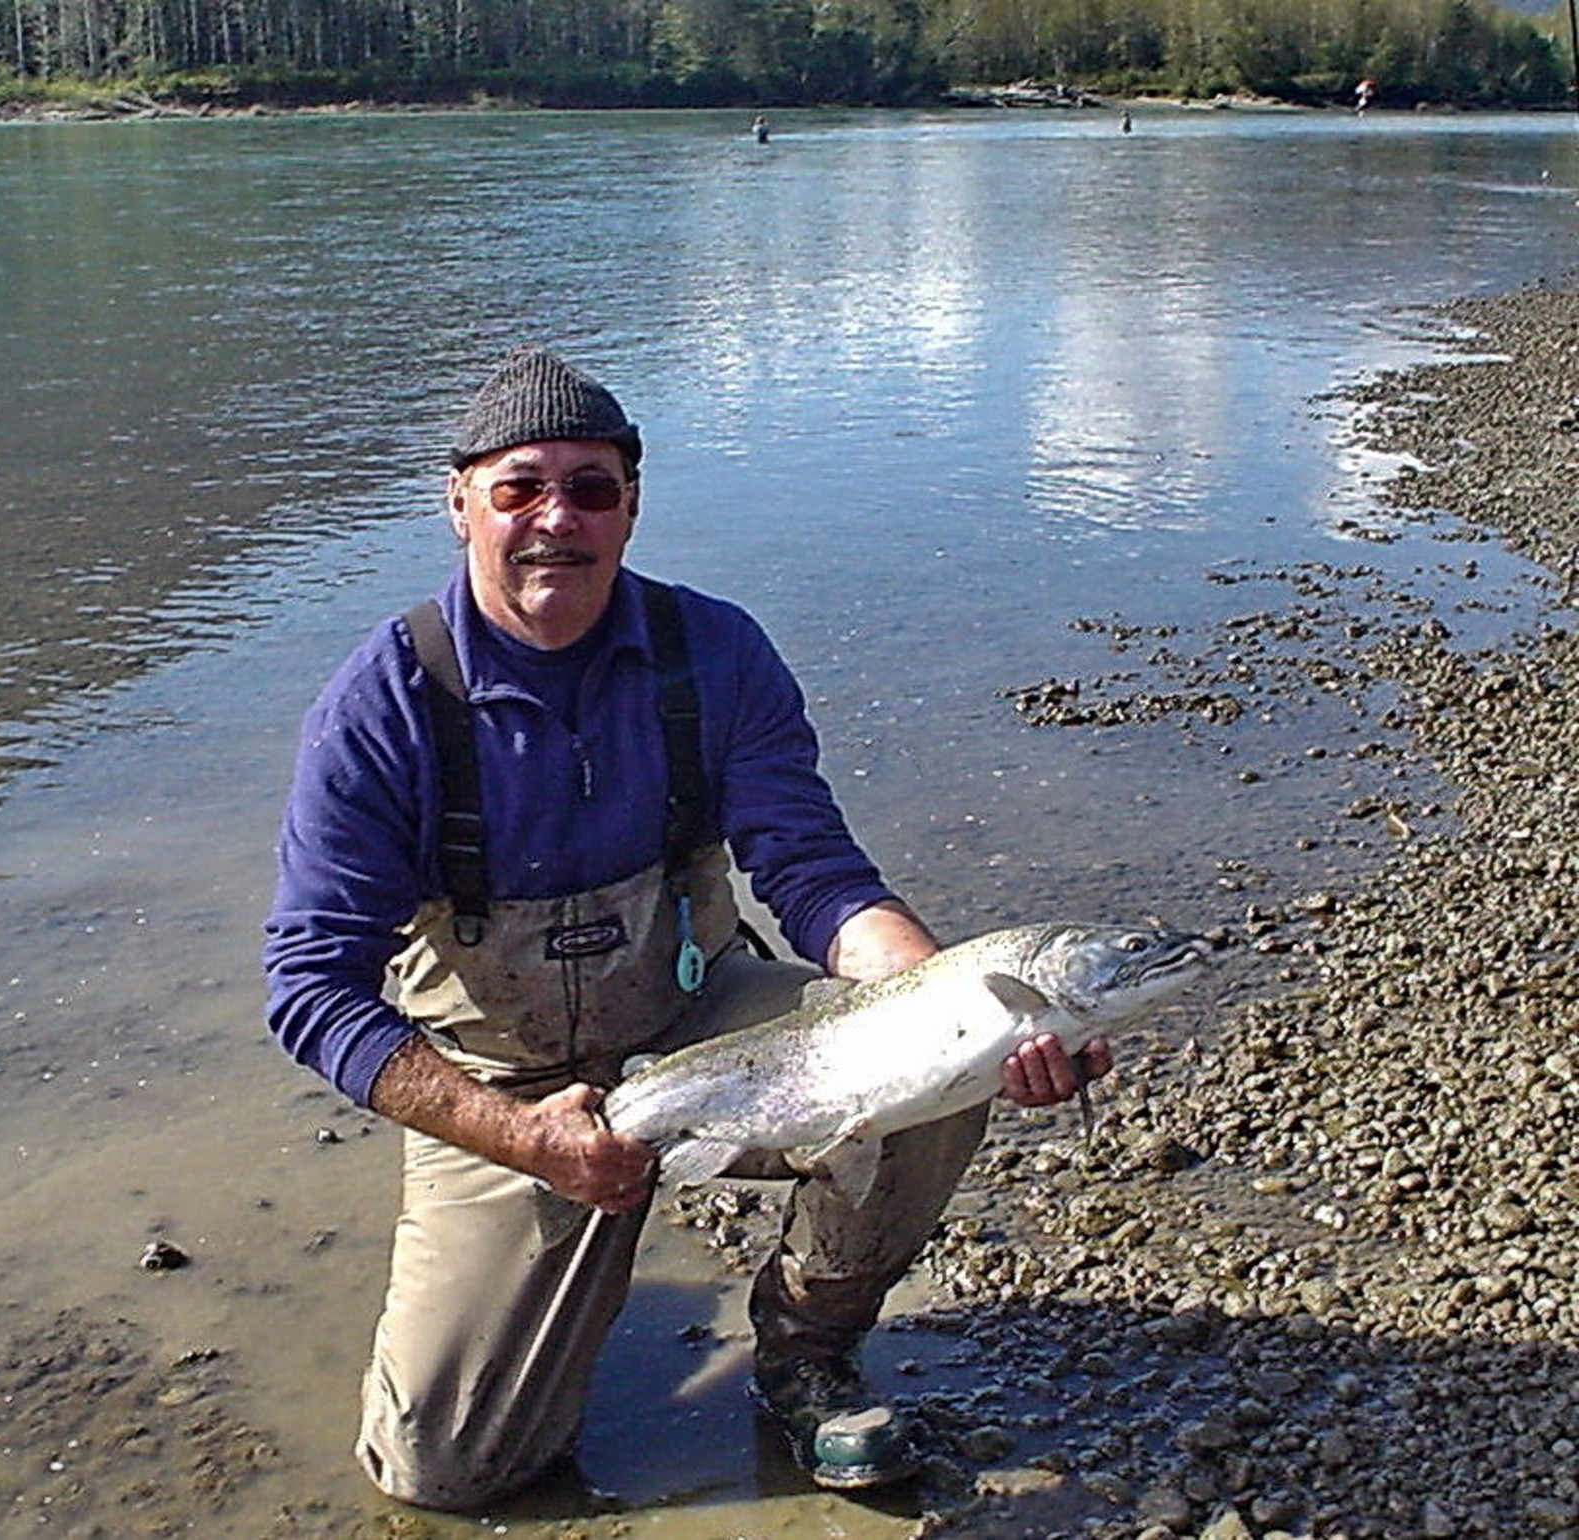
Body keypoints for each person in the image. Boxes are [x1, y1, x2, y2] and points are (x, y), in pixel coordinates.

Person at [262, 347, 1107, 1510]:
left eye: (591, 488)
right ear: (457, 501)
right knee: (445, 1470)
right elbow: (310, 988)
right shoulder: (382, 706)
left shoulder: (713, 653)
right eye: (520, 487)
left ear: (631, 506)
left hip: (699, 1020)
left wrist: (950, 1003)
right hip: (502, 1087)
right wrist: (517, 1137)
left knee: (941, 1065)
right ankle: (559, 1277)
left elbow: (809, 873)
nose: (555, 518)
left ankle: (806, 1350)